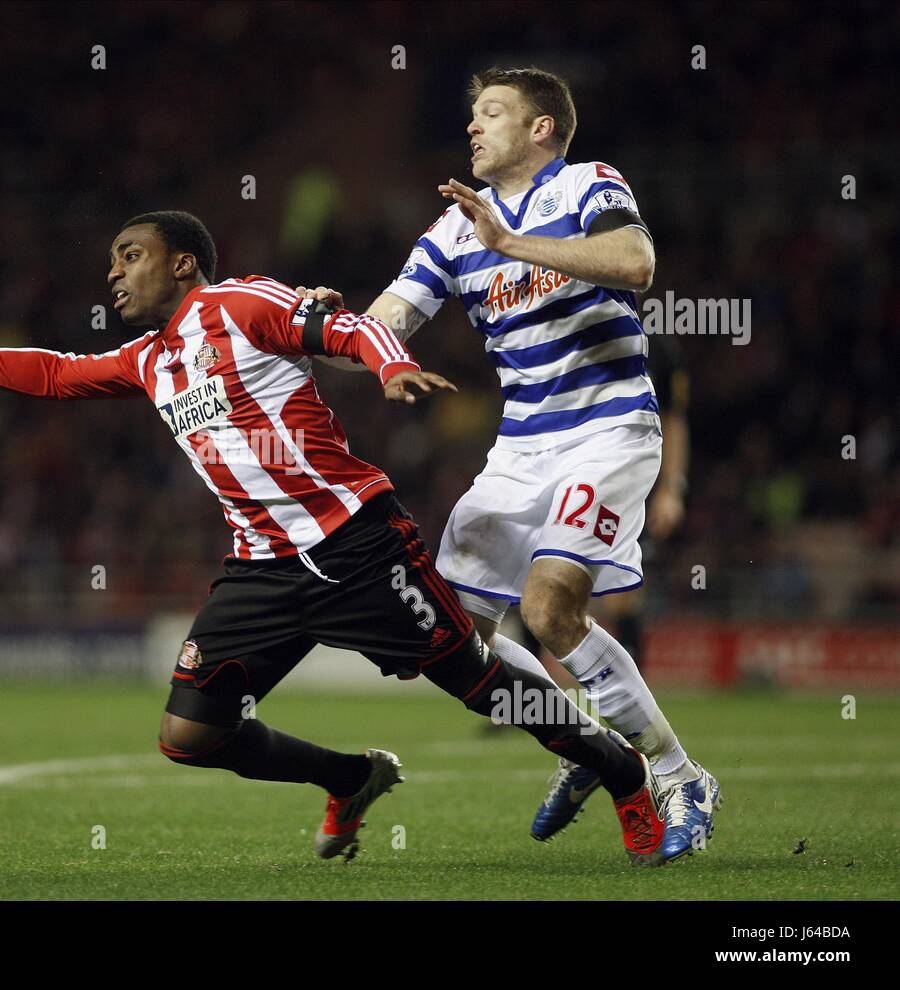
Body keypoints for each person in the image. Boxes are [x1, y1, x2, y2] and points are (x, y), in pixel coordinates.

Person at [0, 209, 665, 863]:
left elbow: (343, 329)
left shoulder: (242, 305)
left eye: (129, 255)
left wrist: (388, 367)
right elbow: (55, 373)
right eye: (111, 260)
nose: (113, 272)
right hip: (261, 570)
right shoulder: (150, 360)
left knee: (483, 684)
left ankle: (623, 771)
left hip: (358, 546)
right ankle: (350, 777)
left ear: (182, 264)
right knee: (190, 737)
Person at [305, 67, 718, 863]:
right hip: (522, 450)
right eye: (471, 114)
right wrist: (316, 327)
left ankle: (679, 774)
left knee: (553, 606)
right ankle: (597, 746)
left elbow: (636, 264)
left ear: (540, 129)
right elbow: (384, 325)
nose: (473, 125)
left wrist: (509, 242)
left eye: (492, 112)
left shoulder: (588, 185)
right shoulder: (451, 230)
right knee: (454, 634)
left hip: (609, 429)